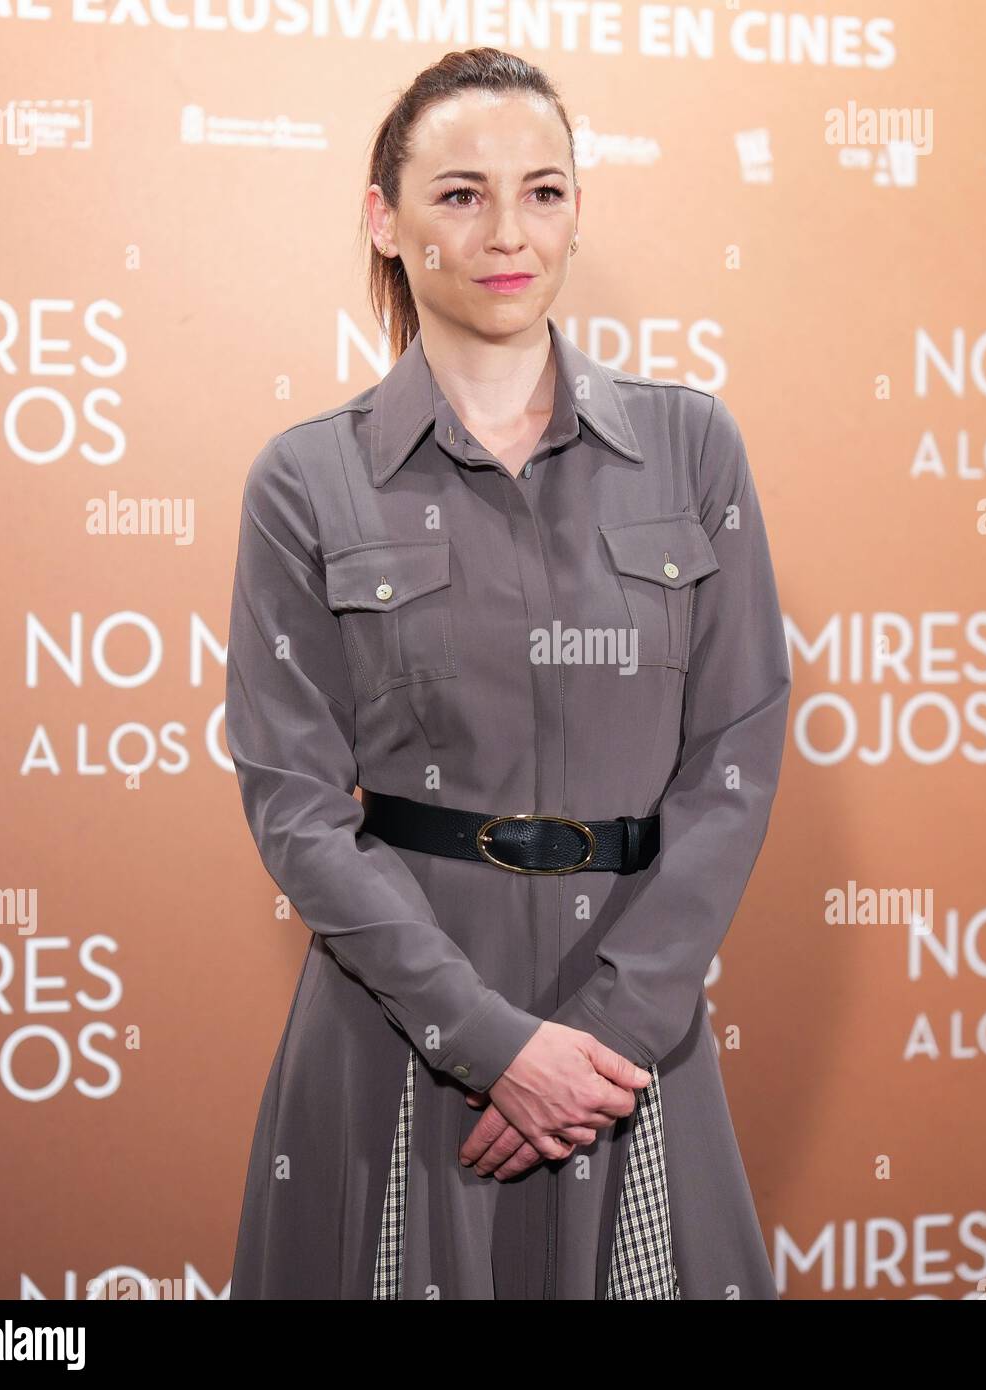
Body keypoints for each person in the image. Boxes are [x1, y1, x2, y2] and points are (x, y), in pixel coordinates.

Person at [225, 46, 792, 1300]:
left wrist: (602, 1038)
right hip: (403, 1041)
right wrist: (488, 1043)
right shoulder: (304, 482)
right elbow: (296, 807)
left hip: (630, 1047)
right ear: (385, 218)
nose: (508, 232)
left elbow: (737, 757)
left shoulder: (692, 447)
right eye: (460, 193)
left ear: (578, 209)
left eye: (543, 191)